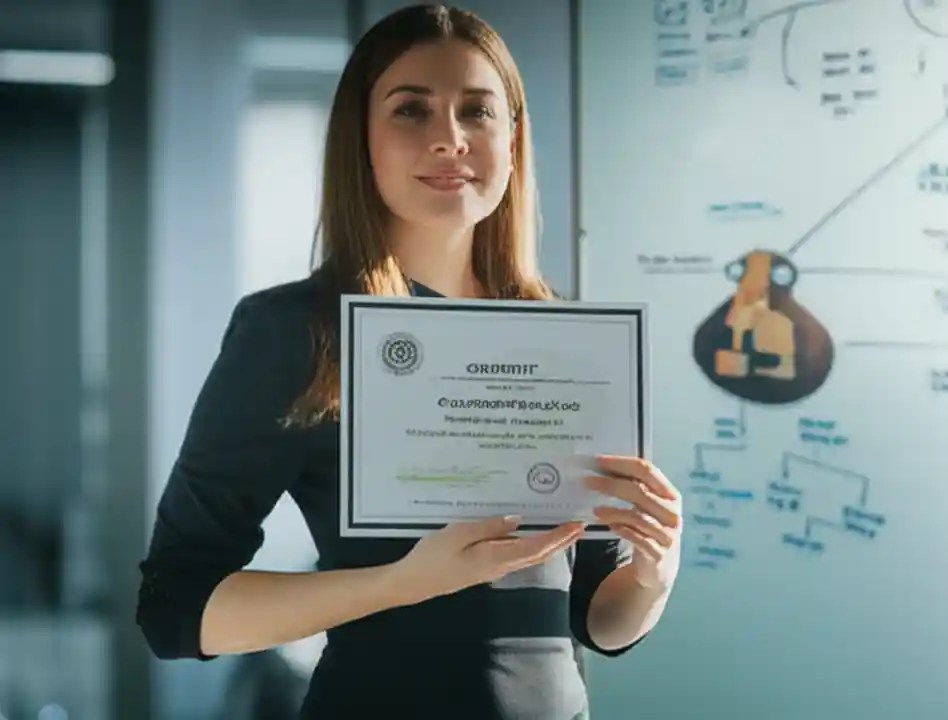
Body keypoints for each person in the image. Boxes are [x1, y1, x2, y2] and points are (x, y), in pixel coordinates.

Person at [135, 4, 683, 718]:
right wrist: (402, 582)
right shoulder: (295, 333)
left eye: (478, 112)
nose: (450, 138)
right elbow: (174, 608)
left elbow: (592, 618)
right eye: (411, 111)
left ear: (513, 141)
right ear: (361, 141)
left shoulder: (568, 340)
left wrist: (654, 572)